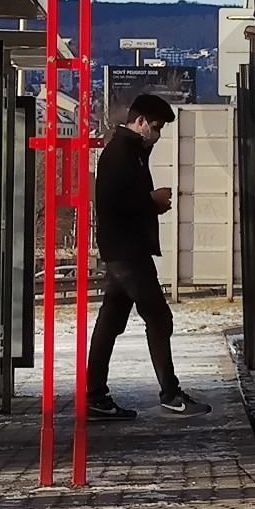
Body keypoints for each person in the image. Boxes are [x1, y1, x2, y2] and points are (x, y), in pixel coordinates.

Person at [85, 93, 211, 418]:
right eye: (155, 127)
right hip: (127, 252)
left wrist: (150, 204)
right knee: (158, 316)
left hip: (126, 250)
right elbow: (113, 203)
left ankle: (95, 395)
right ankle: (170, 393)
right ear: (139, 121)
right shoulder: (120, 153)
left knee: (111, 321)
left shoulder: (132, 151)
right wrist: (150, 201)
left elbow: (124, 200)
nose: (157, 134)